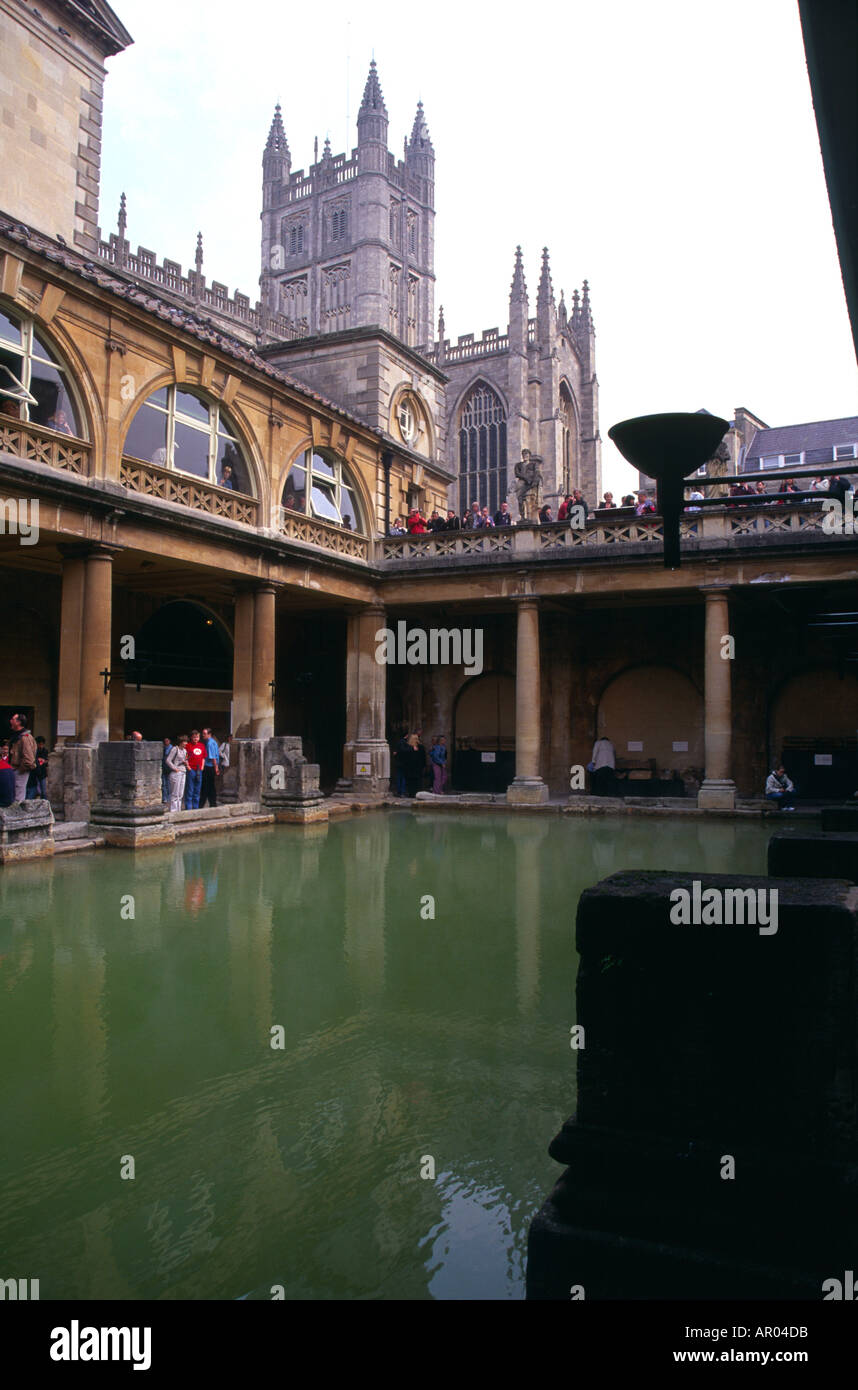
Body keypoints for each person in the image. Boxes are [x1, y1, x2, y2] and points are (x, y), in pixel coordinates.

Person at [8, 713, 36, 803]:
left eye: (13, 719)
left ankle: (17, 815)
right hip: (14, 769)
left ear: (18, 722)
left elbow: (29, 759)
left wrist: (20, 770)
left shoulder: (25, 738)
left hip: (19, 770)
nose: (10, 721)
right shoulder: (18, 736)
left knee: (18, 797)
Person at [166, 735, 189, 812]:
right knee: (175, 793)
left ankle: (178, 810)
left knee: (180, 793)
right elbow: (168, 760)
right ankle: (173, 810)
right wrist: (174, 768)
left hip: (183, 771)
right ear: (181, 742)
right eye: (184, 742)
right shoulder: (175, 749)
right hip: (176, 772)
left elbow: (185, 760)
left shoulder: (185, 751)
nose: (186, 743)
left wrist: (186, 763)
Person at [184, 730, 206, 809]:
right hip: (191, 769)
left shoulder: (202, 746)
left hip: (199, 769)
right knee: (190, 789)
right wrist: (188, 767)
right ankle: (188, 807)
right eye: (194, 737)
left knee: (197, 789)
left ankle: (196, 807)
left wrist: (202, 766)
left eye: (197, 737)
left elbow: (203, 757)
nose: (196, 739)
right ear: (191, 738)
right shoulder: (188, 746)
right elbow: (185, 758)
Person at [200, 726, 220, 807]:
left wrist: (216, 768)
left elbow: (213, 758)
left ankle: (206, 803)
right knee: (210, 786)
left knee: (207, 786)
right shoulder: (212, 742)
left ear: (209, 734)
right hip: (210, 766)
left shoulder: (209, 743)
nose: (203, 735)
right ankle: (211, 803)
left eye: (204, 734)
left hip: (209, 767)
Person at [162, 736, 173, 804]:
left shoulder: (172, 748)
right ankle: (164, 798)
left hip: (169, 768)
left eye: (167, 740)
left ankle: (169, 797)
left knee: (169, 784)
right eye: (165, 741)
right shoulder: (163, 748)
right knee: (164, 784)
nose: (166, 742)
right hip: (164, 768)